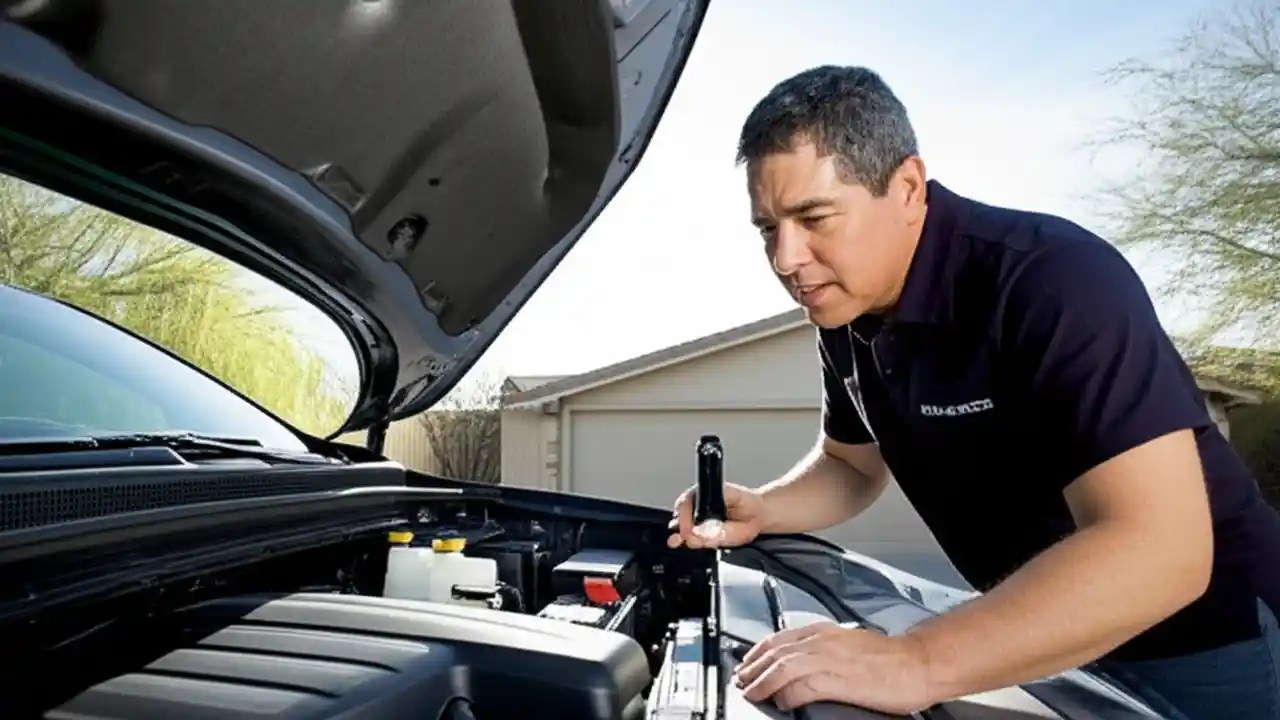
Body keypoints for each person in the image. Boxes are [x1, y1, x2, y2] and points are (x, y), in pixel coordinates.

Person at [667, 65, 1280, 718]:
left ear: (906, 187)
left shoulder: (1051, 280)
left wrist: (917, 660)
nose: (786, 258)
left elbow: (1162, 552)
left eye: (813, 217)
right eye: (768, 228)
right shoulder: (847, 311)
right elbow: (850, 465)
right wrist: (765, 507)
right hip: (1040, 637)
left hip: (1216, 648)